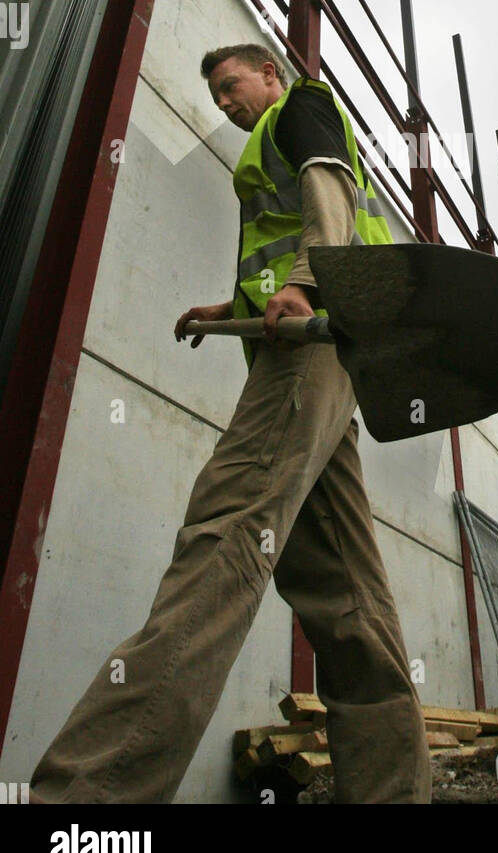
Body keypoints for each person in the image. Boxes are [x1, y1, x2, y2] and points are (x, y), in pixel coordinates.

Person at [29, 42, 432, 805]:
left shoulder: (300, 107)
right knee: (343, 592)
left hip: (311, 351)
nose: (223, 103)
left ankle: (87, 804)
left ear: (269, 74)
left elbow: (329, 196)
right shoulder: (267, 144)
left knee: (224, 537)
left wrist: (308, 285)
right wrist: (237, 308)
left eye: (229, 85)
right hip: (338, 349)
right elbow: (286, 247)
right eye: (213, 95)